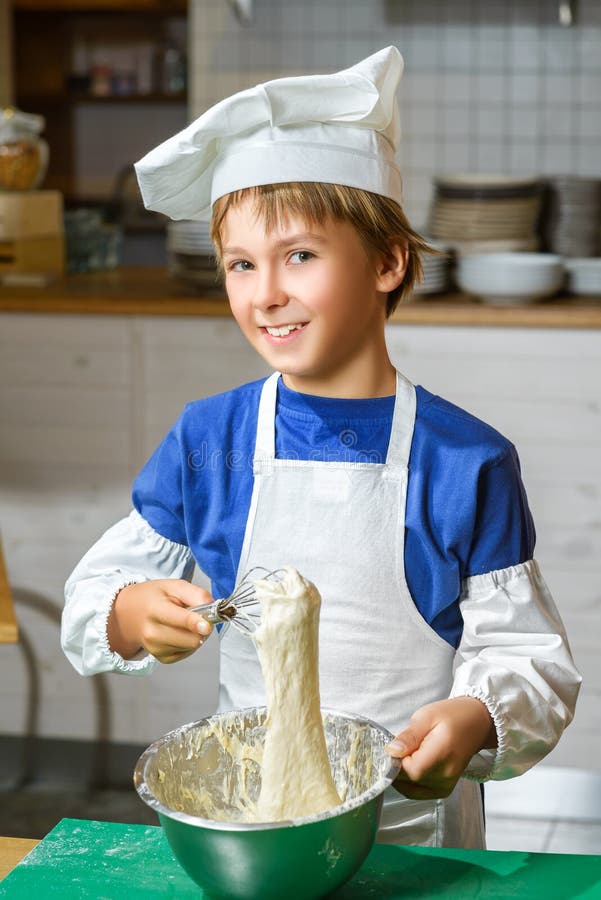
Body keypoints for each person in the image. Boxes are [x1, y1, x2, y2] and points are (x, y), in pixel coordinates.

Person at [62, 46, 581, 849]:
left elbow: (530, 661)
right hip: (258, 824)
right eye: (240, 263)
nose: (264, 293)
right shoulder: (209, 442)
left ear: (386, 260)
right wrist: (131, 613)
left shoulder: (464, 461)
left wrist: (473, 716)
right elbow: (94, 594)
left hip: (413, 834)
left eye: (298, 255)